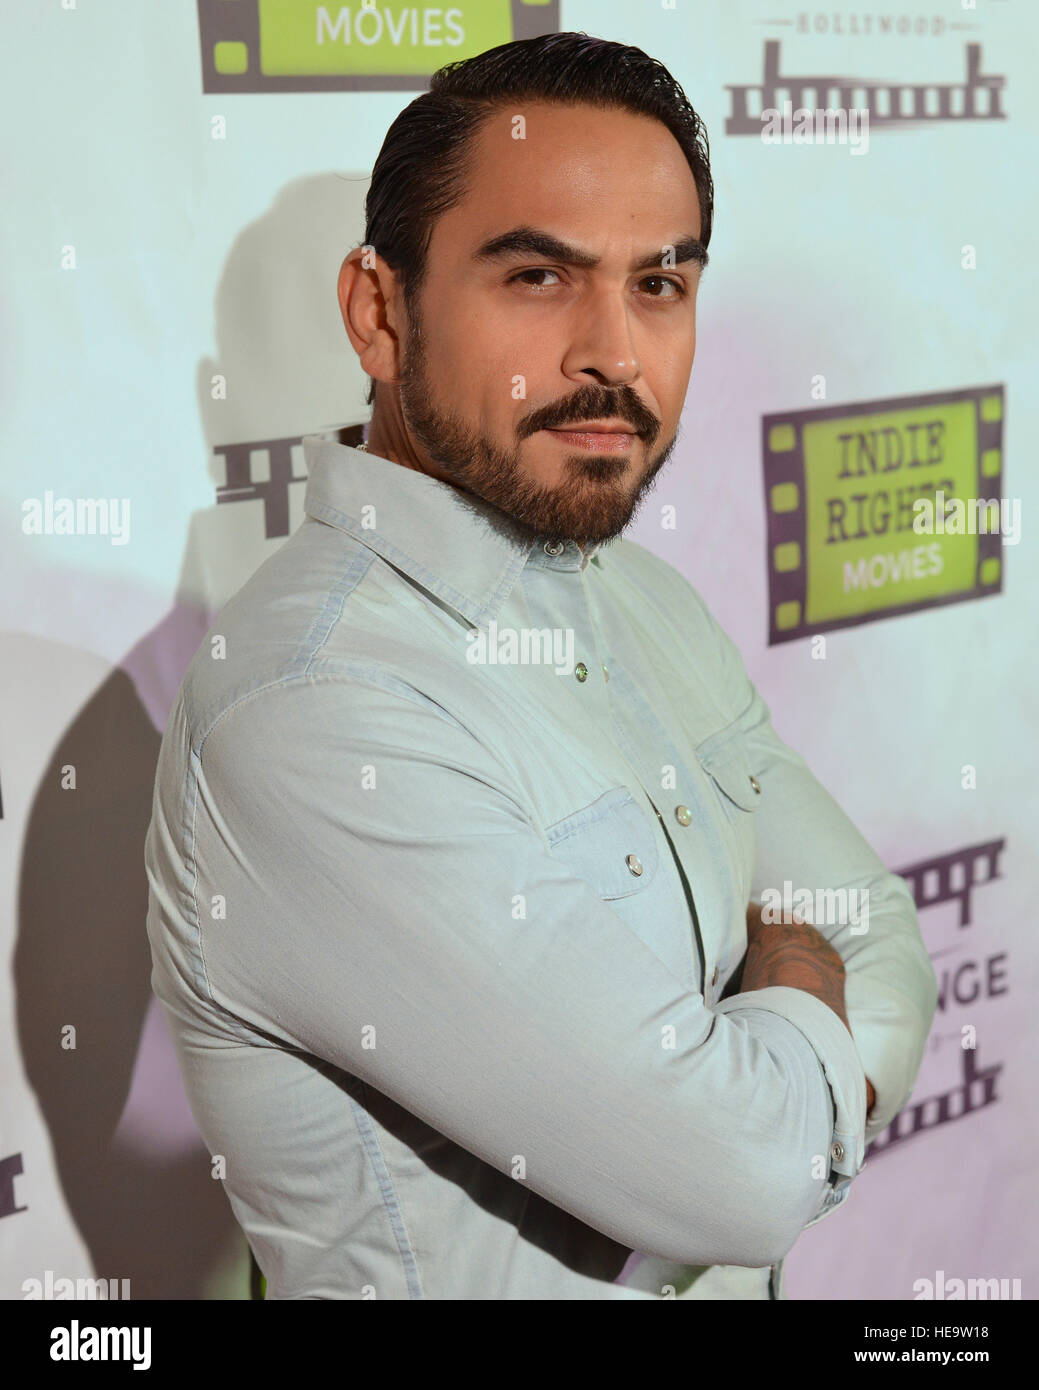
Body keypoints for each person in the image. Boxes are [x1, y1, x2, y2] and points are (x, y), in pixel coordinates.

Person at [145, 31, 937, 1300]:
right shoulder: (316, 705)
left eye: (660, 285)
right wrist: (794, 986)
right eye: (536, 277)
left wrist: (774, 1074)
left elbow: (880, 936)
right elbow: (745, 1177)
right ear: (379, 312)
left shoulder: (641, 596)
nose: (614, 355)